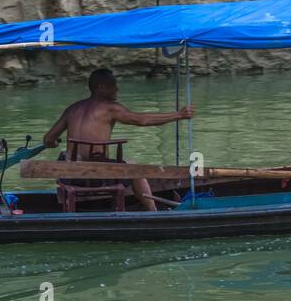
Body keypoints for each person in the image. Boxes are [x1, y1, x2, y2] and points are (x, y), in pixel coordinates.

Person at [43, 68, 194, 211]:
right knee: (134, 167)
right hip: (96, 177)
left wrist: (53, 143)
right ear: (101, 87)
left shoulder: (73, 108)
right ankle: (153, 212)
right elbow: (142, 120)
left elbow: (48, 139)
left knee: (65, 156)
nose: (117, 89)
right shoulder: (111, 108)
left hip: (68, 176)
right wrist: (179, 115)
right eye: (113, 85)